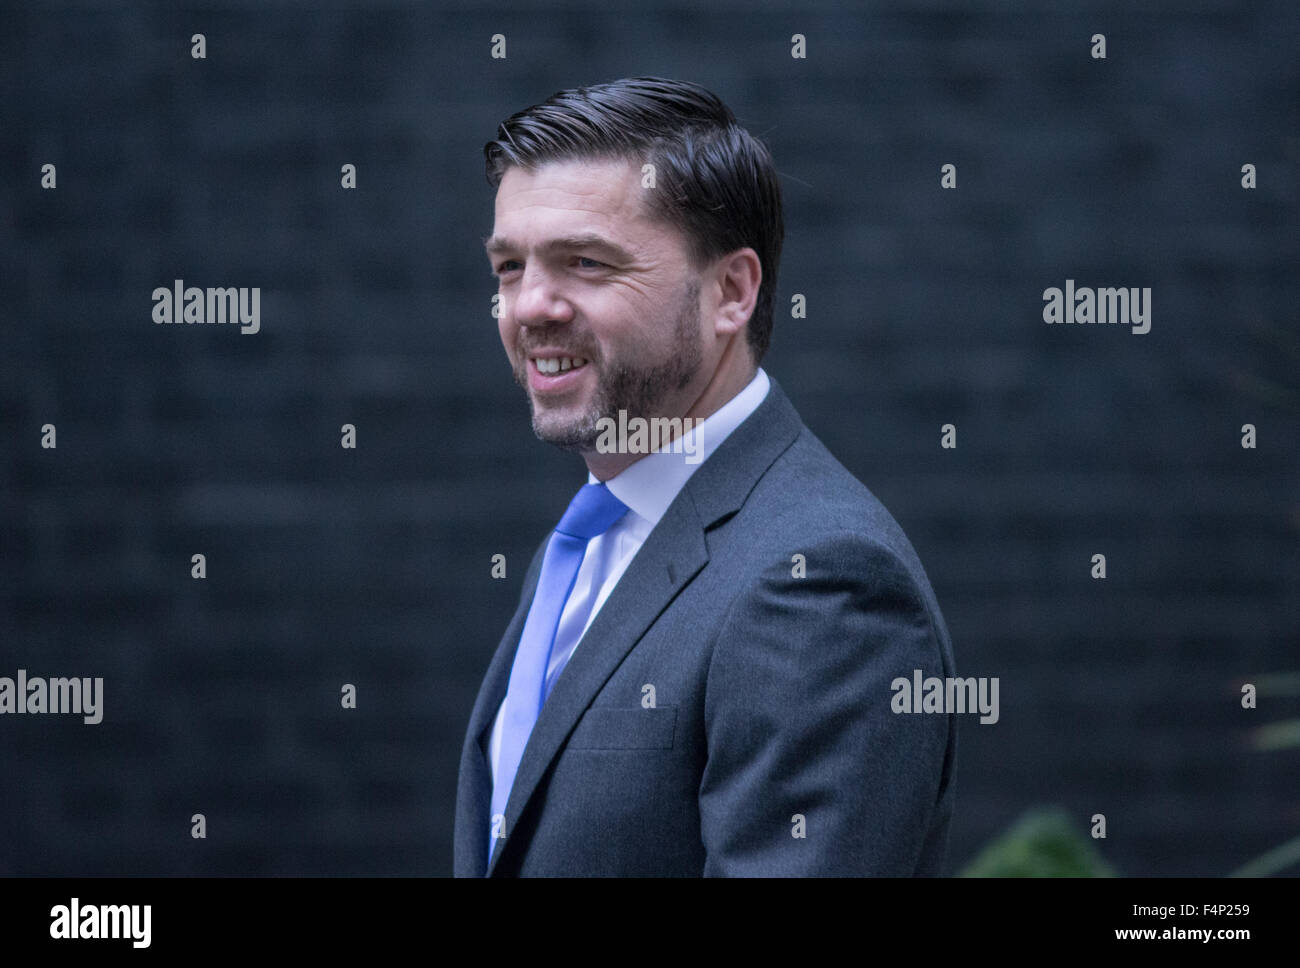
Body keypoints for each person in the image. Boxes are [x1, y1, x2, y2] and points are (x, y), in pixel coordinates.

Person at [454, 76, 957, 876]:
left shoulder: (820, 586)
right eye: (510, 266)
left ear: (731, 291)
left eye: (585, 262)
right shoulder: (593, 539)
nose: (529, 307)